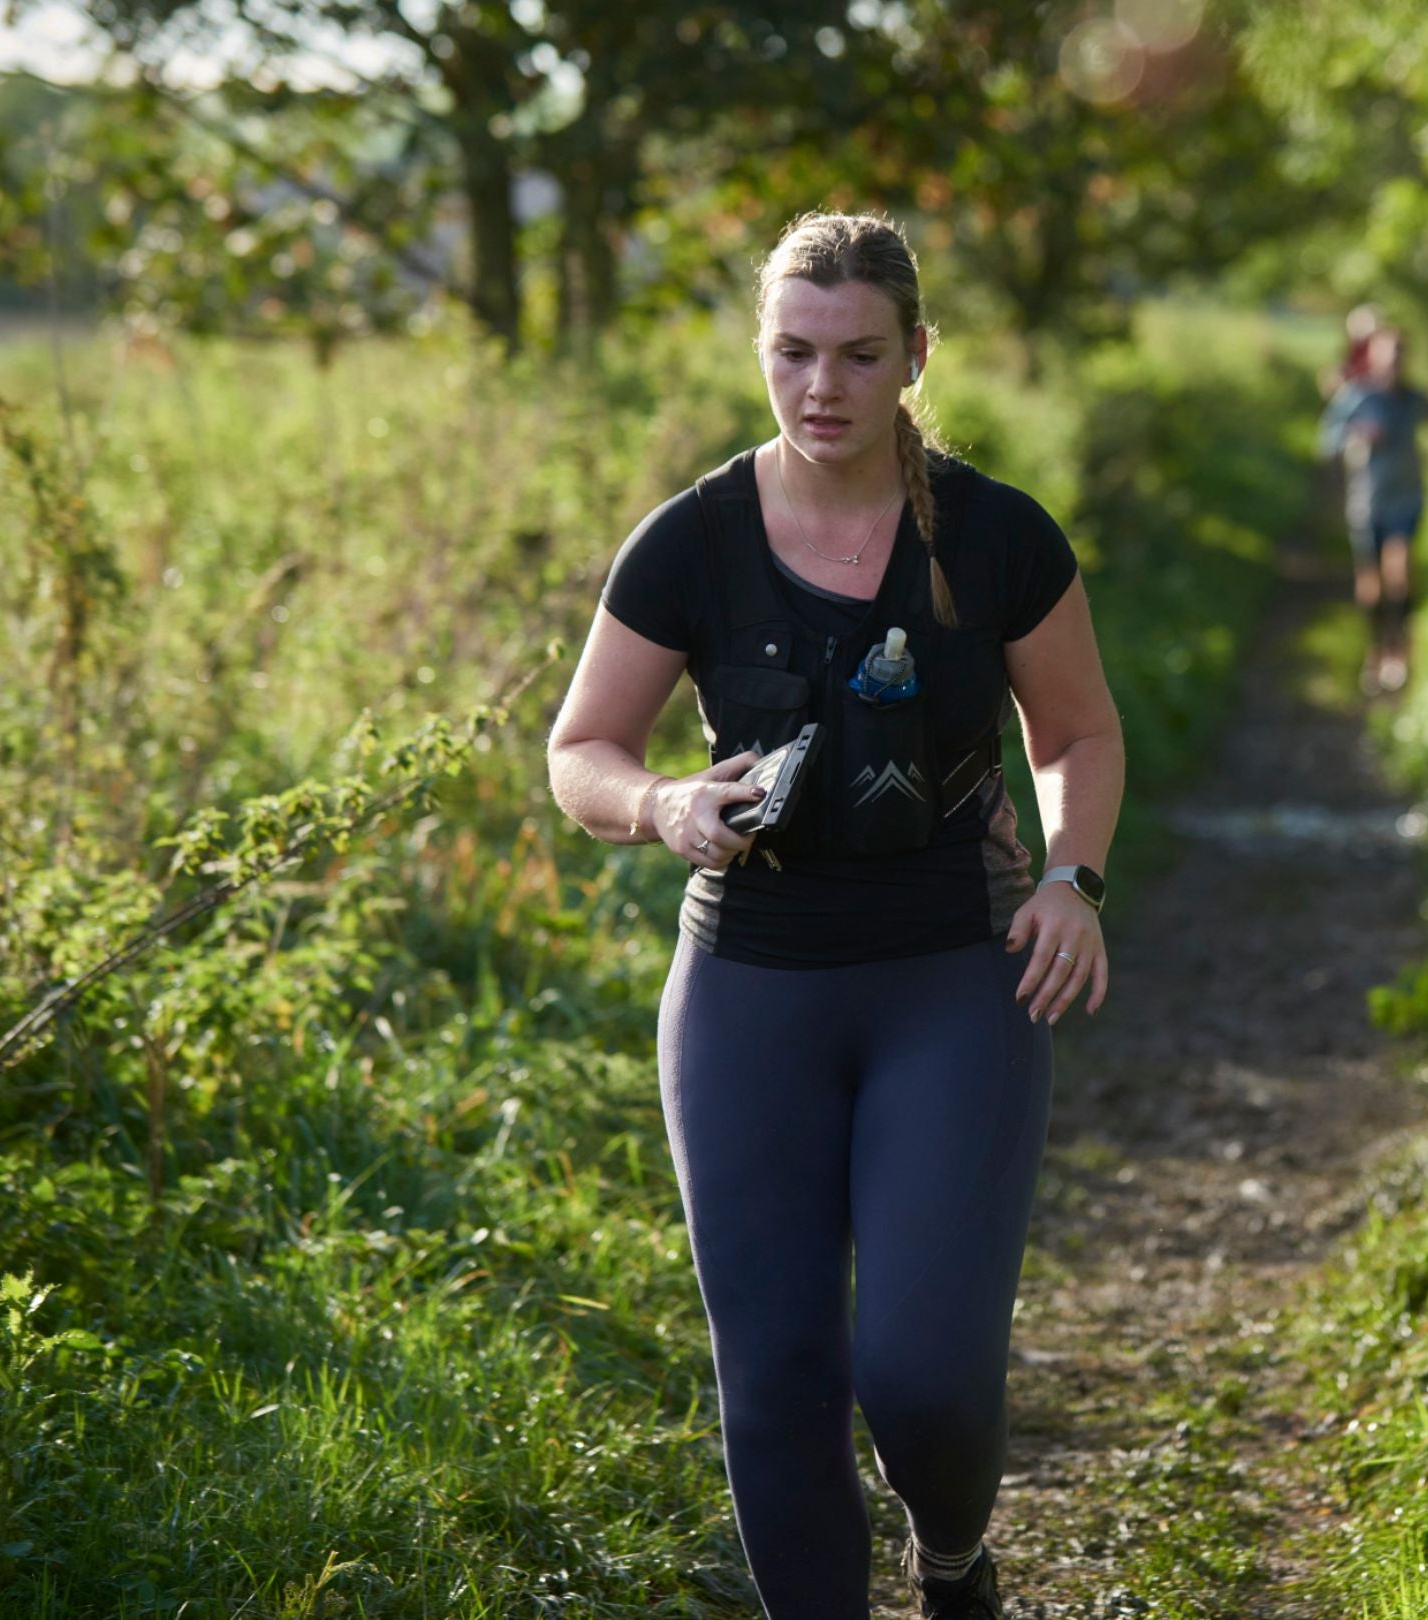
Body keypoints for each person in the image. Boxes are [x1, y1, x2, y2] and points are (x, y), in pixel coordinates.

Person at [544, 211, 1123, 1620]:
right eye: (794, 353)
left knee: (923, 1374)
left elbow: (1078, 735)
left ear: (916, 354)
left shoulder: (994, 536)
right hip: (750, 988)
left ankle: (953, 1559)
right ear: (762, 350)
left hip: (957, 979)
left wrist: (1072, 878)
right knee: (780, 1381)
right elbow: (581, 751)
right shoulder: (691, 540)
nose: (823, 387)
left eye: (860, 355)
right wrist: (662, 804)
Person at [1316, 326, 1428, 694]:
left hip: (1407, 499)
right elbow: (1326, 440)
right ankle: (1375, 651)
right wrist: (1357, 436)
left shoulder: (1416, 398)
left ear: (1405, 360)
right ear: (1373, 358)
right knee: (1371, 587)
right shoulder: (1356, 396)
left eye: (1398, 358)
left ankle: (1400, 652)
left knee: (1400, 571)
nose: (1392, 365)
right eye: (1386, 358)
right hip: (1367, 502)